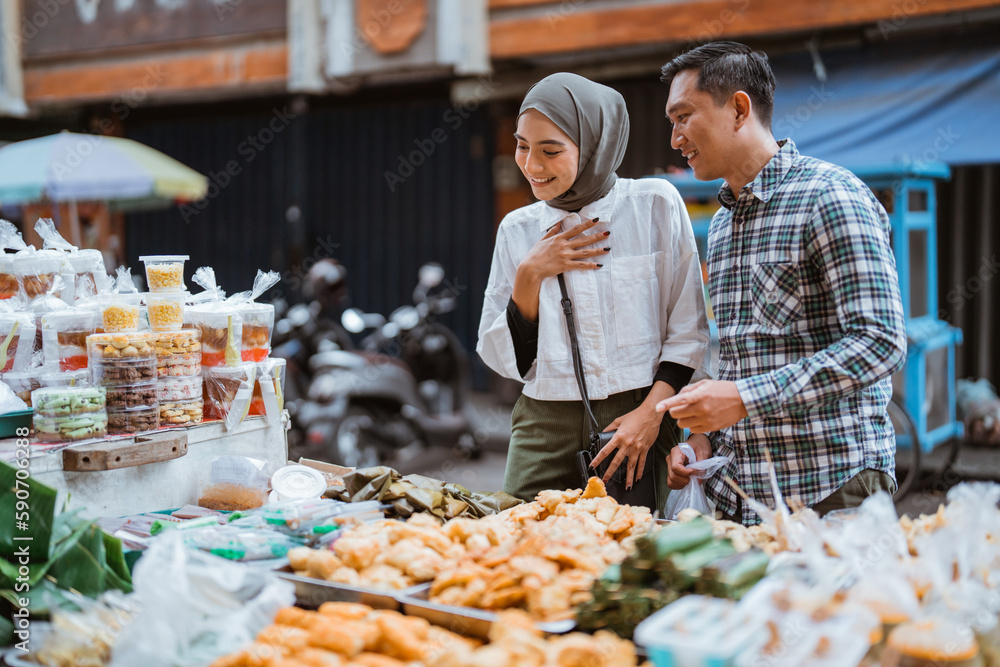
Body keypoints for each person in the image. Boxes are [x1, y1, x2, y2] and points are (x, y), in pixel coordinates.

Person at [655, 42, 907, 525]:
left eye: (683, 116)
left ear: (739, 109)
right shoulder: (725, 223)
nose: (675, 138)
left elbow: (881, 343)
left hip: (831, 489)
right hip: (743, 494)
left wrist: (744, 399)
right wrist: (704, 436)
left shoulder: (831, 197)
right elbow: (737, 357)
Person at [477, 72, 710, 509]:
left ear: (595, 147)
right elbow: (506, 360)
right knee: (521, 545)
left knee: (629, 552)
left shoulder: (654, 205)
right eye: (522, 145)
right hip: (543, 422)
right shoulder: (518, 229)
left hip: (637, 419)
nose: (530, 165)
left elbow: (687, 330)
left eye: (550, 150)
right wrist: (531, 274)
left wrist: (650, 417)